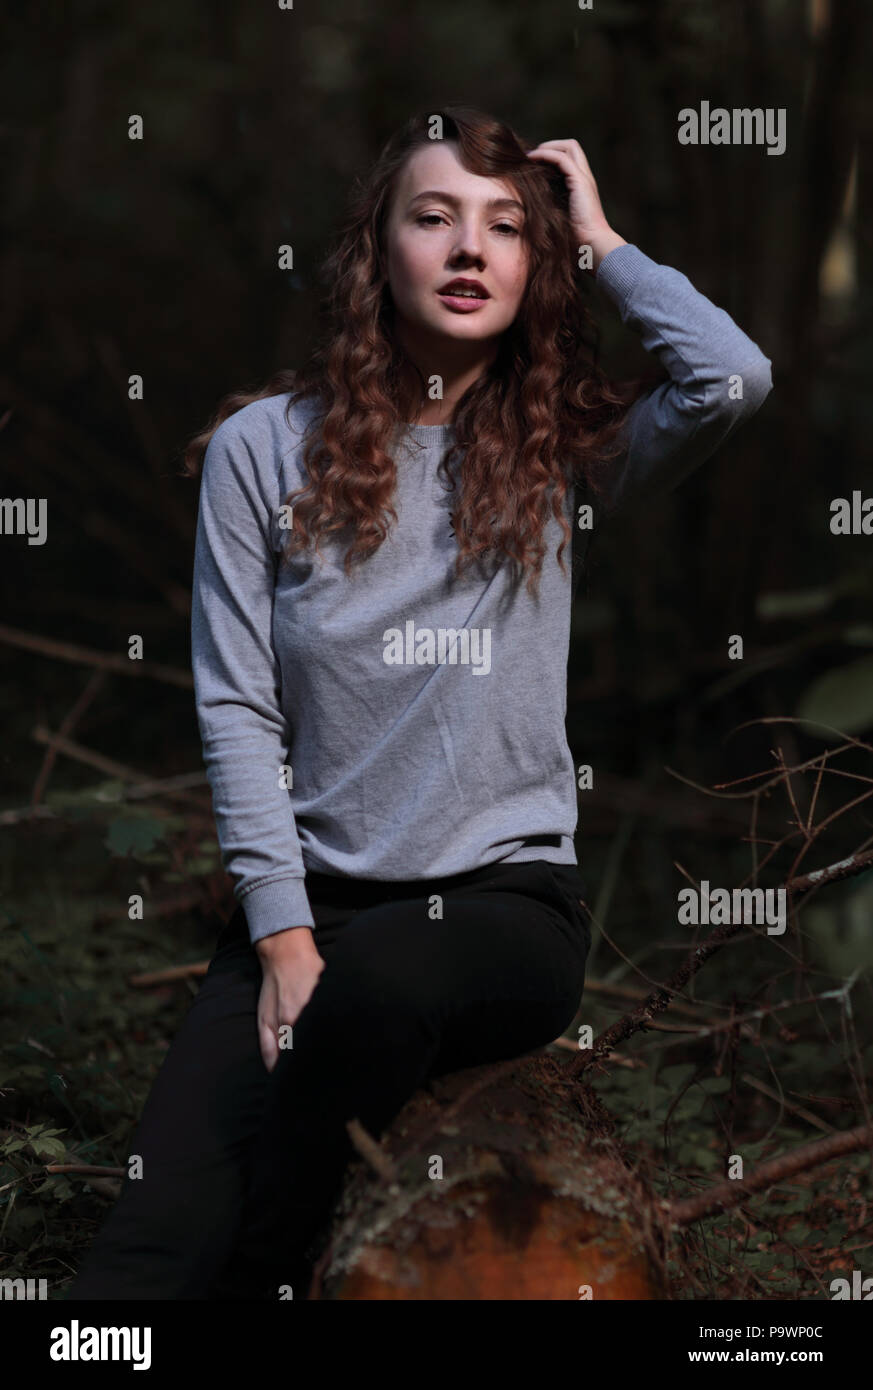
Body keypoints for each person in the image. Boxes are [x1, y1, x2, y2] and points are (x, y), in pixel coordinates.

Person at [69, 104, 772, 1301]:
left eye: (506, 228)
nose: (468, 249)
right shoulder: (261, 451)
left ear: (533, 266)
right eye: (433, 217)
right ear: (374, 250)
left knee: (385, 985)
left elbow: (730, 376)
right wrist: (283, 935)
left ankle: (266, 1283)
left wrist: (598, 237)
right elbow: (238, 707)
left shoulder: (557, 451)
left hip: (505, 905)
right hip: (315, 908)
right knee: (134, 1267)